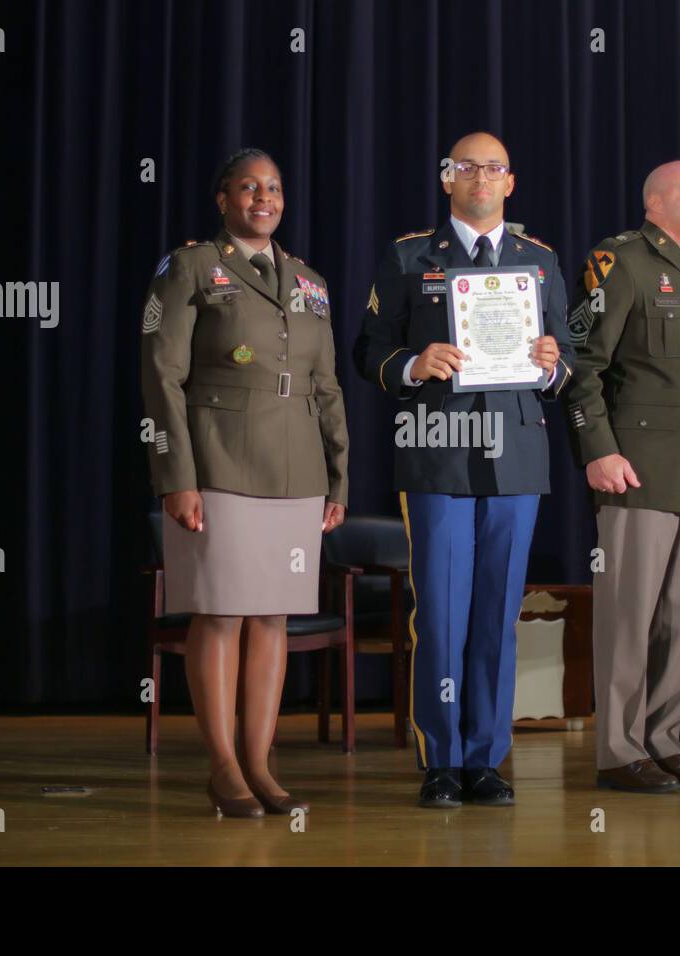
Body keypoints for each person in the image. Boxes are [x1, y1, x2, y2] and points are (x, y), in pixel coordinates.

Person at [355, 131, 574, 808]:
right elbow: (369, 349)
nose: (480, 176)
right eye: (466, 167)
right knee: (443, 614)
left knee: (498, 614)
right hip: (438, 450)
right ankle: (442, 759)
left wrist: (550, 363)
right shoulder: (408, 256)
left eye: (493, 168)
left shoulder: (540, 261)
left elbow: (571, 356)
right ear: (446, 179)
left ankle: (486, 757)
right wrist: (414, 365)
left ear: (511, 182)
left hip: (515, 456)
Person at [139, 148, 349, 818]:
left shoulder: (310, 281)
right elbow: (161, 375)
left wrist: (339, 479)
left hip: (296, 469)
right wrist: (177, 475)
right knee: (222, 612)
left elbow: (327, 387)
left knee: (272, 617)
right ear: (223, 198)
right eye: (249, 187)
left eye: (275, 187)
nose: (265, 197)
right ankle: (222, 765)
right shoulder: (192, 267)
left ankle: (259, 762)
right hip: (219, 462)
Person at [564, 159, 680, 794]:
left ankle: (665, 740)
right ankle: (617, 751)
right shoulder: (622, 262)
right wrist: (597, 450)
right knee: (628, 616)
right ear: (655, 204)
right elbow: (583, 365)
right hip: (634, 471)